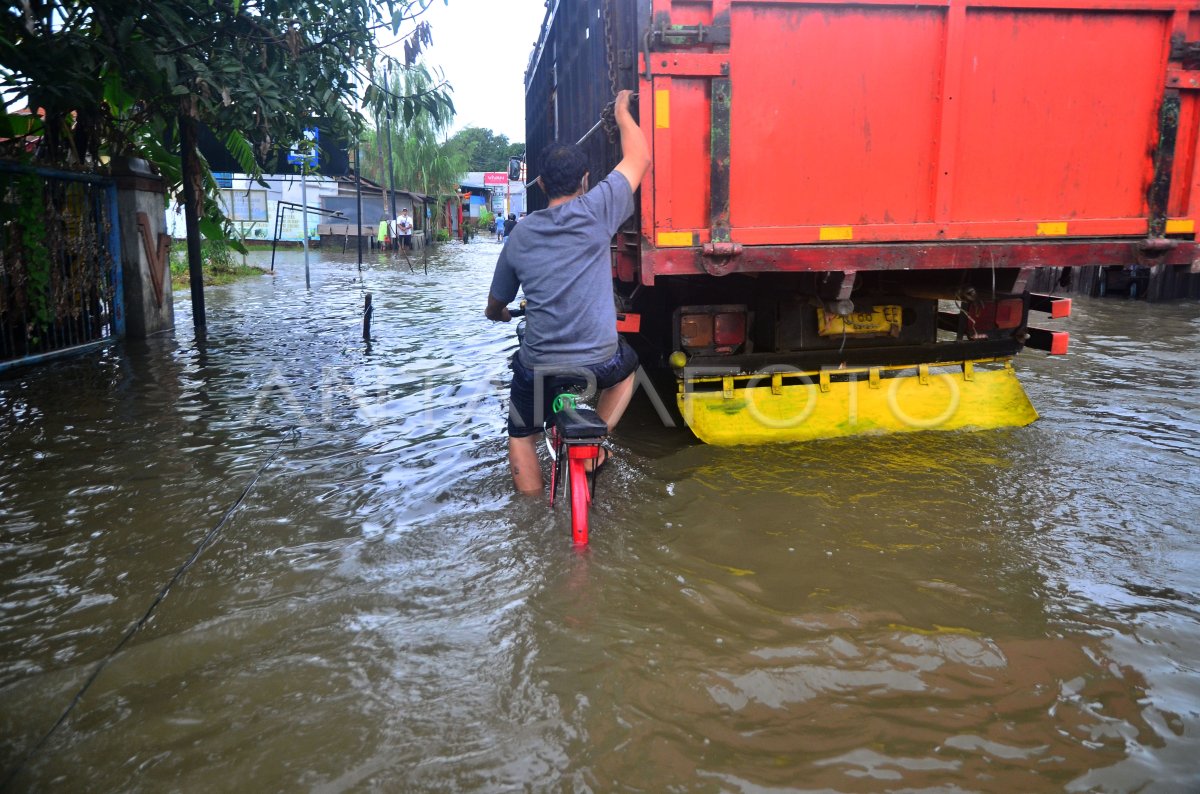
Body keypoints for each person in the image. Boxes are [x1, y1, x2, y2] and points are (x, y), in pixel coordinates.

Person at [485, 89, 651, 494]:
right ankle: (593, 442)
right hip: (600, 359)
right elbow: (639, 158)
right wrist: (621, 112)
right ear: (586, 180)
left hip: (538, 363)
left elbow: (495, 304)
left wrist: (501, 315)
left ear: (540, 184)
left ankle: (528, 513)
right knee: (627, 373)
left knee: (521, 432)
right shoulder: (598, 209)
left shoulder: (520, 235)